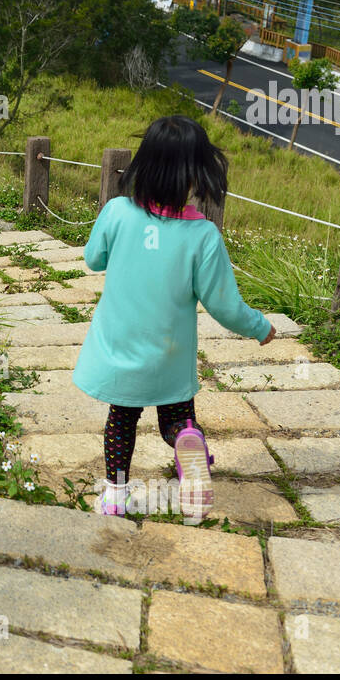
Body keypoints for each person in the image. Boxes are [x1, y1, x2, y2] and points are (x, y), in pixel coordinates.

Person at [71, 115, 275, 520]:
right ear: (197, 173)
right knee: (177, 421)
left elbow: (93, 259)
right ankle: (189, 456)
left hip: (121, 352)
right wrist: (259, 326)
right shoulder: (203, 237)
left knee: (121, 420)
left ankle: (115, 494)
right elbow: (224, 306)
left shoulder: (116, 212)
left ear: (143, 163)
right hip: (170, 357)